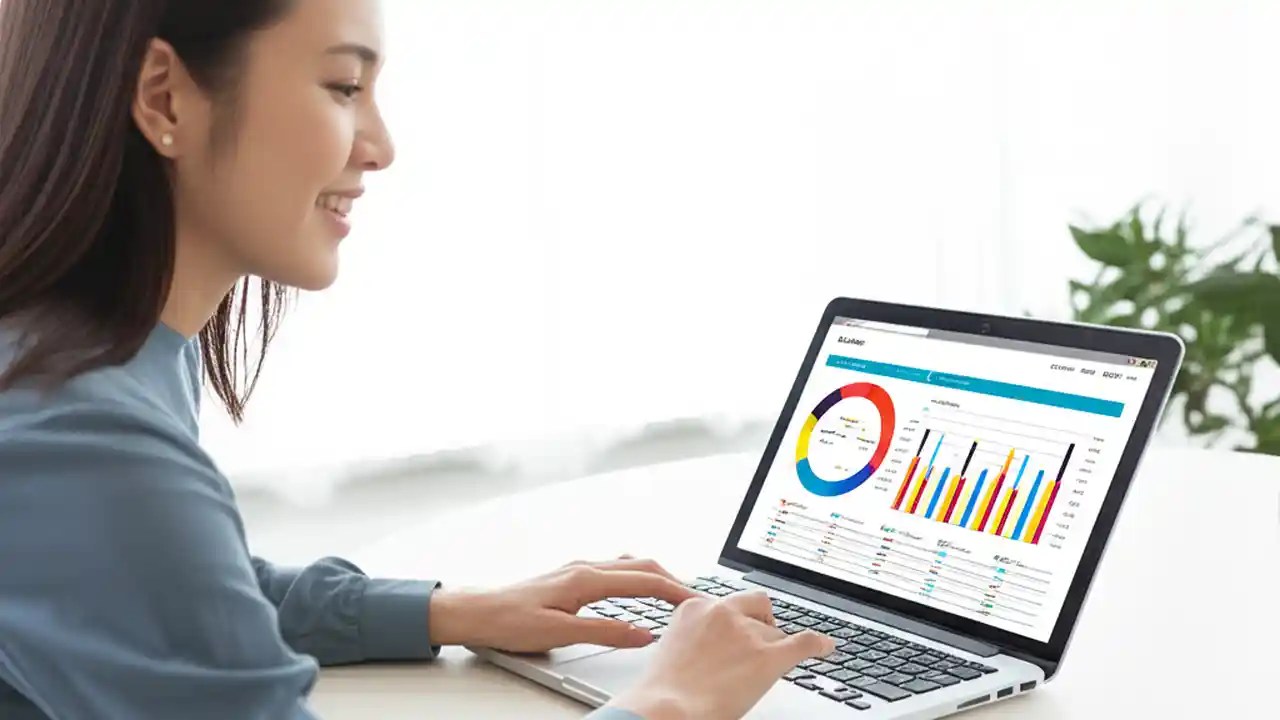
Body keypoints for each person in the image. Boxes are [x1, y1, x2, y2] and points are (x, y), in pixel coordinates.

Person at [0, 2, 835, 718]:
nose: (381, 146)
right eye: (343, 86)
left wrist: (454, 610)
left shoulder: (88, 353)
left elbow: (181, 592)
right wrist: (672, 699)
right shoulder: (85, 432)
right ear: (165, 97)